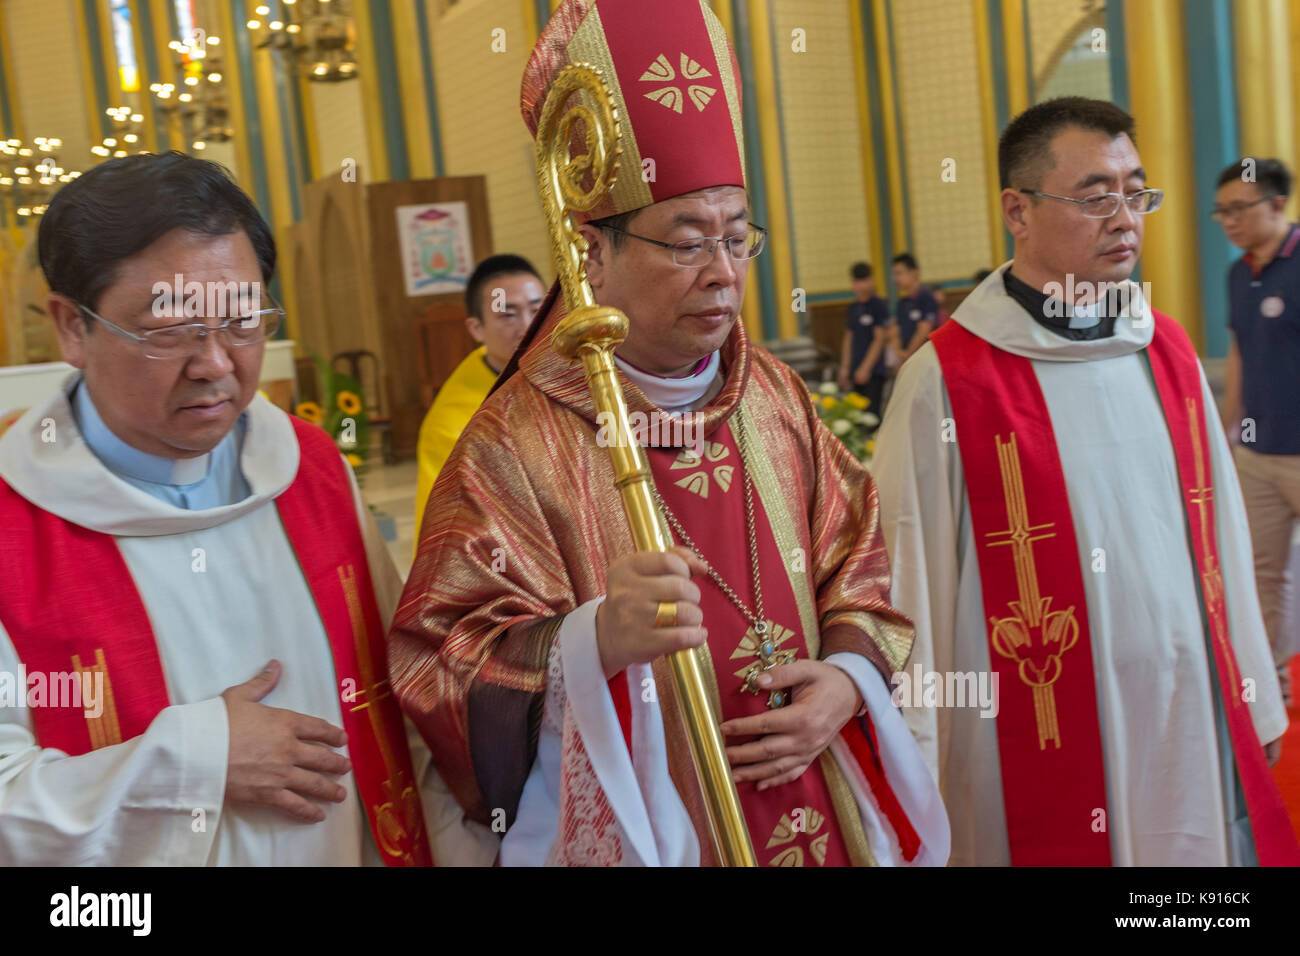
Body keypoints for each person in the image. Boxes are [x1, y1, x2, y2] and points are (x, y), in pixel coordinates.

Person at [390, 0, 947, 868]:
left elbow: (861, 565)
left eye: (736, 237)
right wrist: (593, 641)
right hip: (661, 824)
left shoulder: (774, 397)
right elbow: (441, 666)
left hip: (815, 796)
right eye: (687, 241)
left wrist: (848, 681)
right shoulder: (514, 443)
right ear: (592, 254)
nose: (723, 273)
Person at [0, 152, 494, 866]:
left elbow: (401, 704)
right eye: (170, 329)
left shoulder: (309, 468)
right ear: (72, 328)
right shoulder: (16, 526)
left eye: (241, 321)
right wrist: (198, 763)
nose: (216, 363)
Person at [873, 97, 1297, 866]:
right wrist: (916, 752)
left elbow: (1223, 543)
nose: (1125, 218)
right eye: (1097, 197)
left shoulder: (1164, 351)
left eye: (1137, 194)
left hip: (1184, 709)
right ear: (1018, 210)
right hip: (1028, 729)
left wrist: (1256, 697)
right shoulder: (949, 379)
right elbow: (907, 580)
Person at [1214, 157, 1300, 706]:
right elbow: (1240, 351)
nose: (1227, 220)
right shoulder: (1237, 274)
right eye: (1220, 211)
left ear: (1277, 204)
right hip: (1256, 452)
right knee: (1259, 571)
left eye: (1238, 209)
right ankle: (1270, 677)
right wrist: (1228, 430)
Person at [414, 254, 545, 538]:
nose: (527, 328)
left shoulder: (575, 373)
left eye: (537, 310)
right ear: (476, 329)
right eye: (508, 315)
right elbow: (449, 529)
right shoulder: (453, 424)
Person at [837, 261, 889, 415]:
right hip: (855, 368)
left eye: (864, 281)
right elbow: (848, 338)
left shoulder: (878, 305)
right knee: (856, 415)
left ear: (871, 281)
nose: (860, 286)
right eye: (857, 281)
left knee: (871, 416)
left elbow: (879, 339)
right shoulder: (853, 308)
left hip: (873, 371)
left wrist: (865, 368)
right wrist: (845, 368)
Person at [888, 253, 938, 366]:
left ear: (914, 273)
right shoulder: (902, 303)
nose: (896, 279)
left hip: (925, 359)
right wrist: (899, 353)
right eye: (894, 274)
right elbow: (895, 331)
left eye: (899, 273)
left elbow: (924, 330)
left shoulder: (927, 298)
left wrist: (908, 354)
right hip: (905, 361)